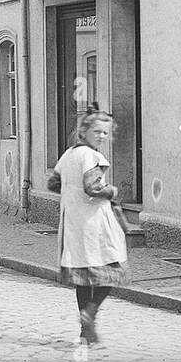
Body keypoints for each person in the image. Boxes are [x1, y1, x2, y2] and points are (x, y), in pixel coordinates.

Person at [53, 106, 128, 346]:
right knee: (114, 270)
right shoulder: (91, 156)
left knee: (83, 276)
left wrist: (71, 193)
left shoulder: (69, 155)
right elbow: (93, 187)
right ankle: (91, 312)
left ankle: (86, 331)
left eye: (106, 133)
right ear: (84, 132)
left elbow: (54, 183)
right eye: (98, 132)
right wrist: (112, 191)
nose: (102, 137)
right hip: (94, 223)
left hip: (73, 222)